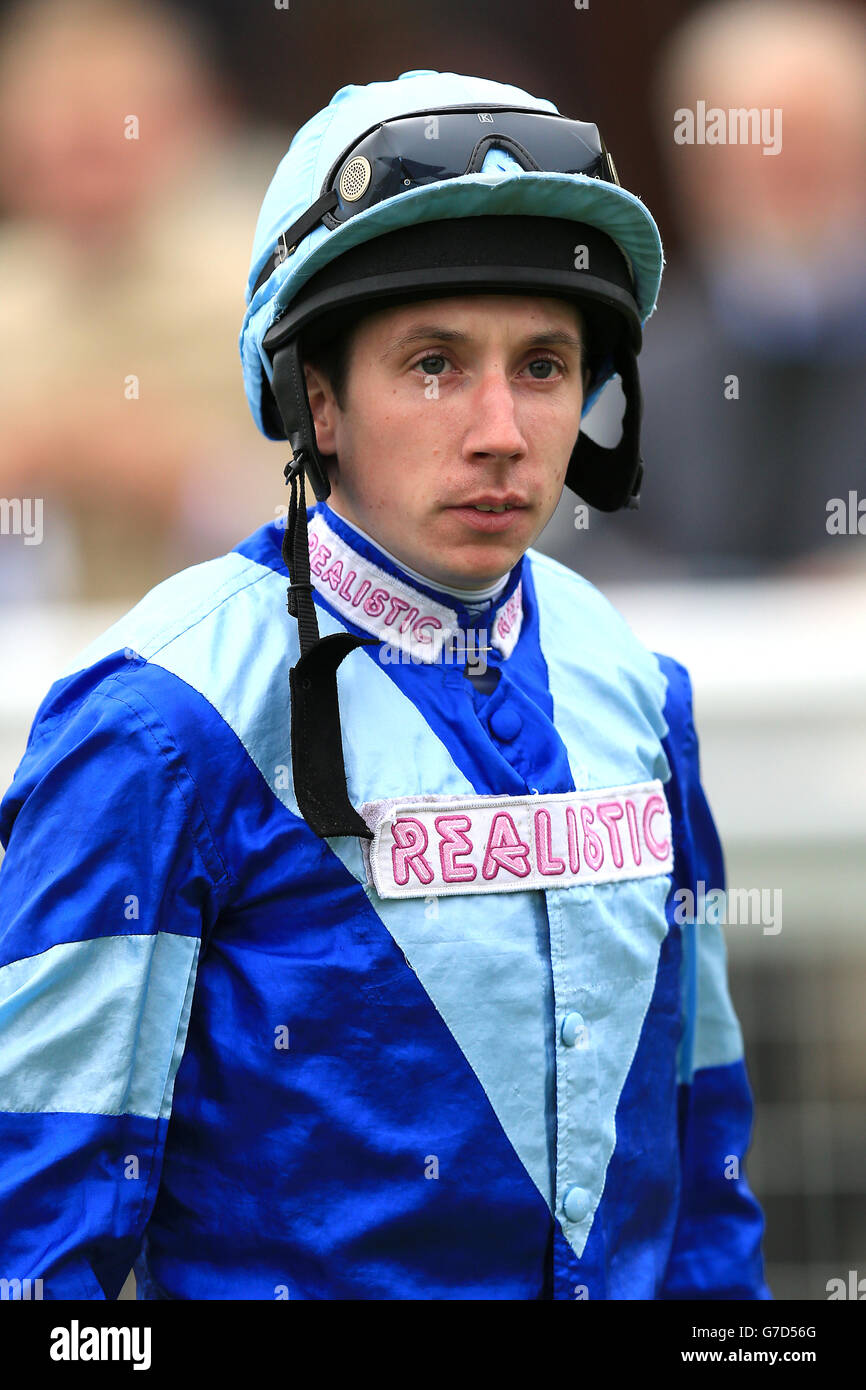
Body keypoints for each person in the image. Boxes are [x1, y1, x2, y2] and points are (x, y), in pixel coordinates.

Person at [0, 70, 770, 1300]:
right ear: (319, 397)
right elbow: (33, 1260)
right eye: (430, 363)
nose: (500, 429)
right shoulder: (154, 723)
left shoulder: (635, 686)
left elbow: (703, 1179)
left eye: (542, 365)